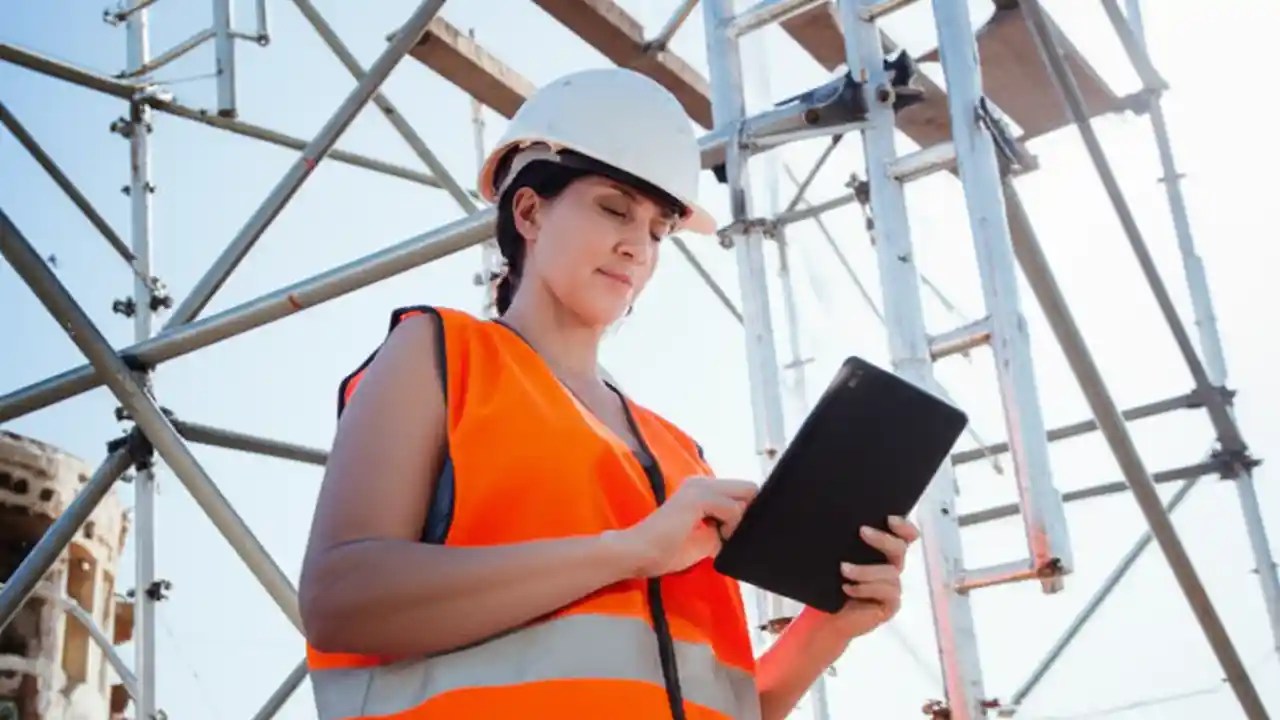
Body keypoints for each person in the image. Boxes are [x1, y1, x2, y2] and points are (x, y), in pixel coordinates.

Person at [298, 67, 920, 720]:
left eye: (658, 230)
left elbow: (725, 704)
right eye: (613, 208)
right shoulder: (441, 356)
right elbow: (341, 601)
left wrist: (828, 628)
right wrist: (632, 550)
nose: (637, 247)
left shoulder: (679, 454)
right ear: (530, 211)